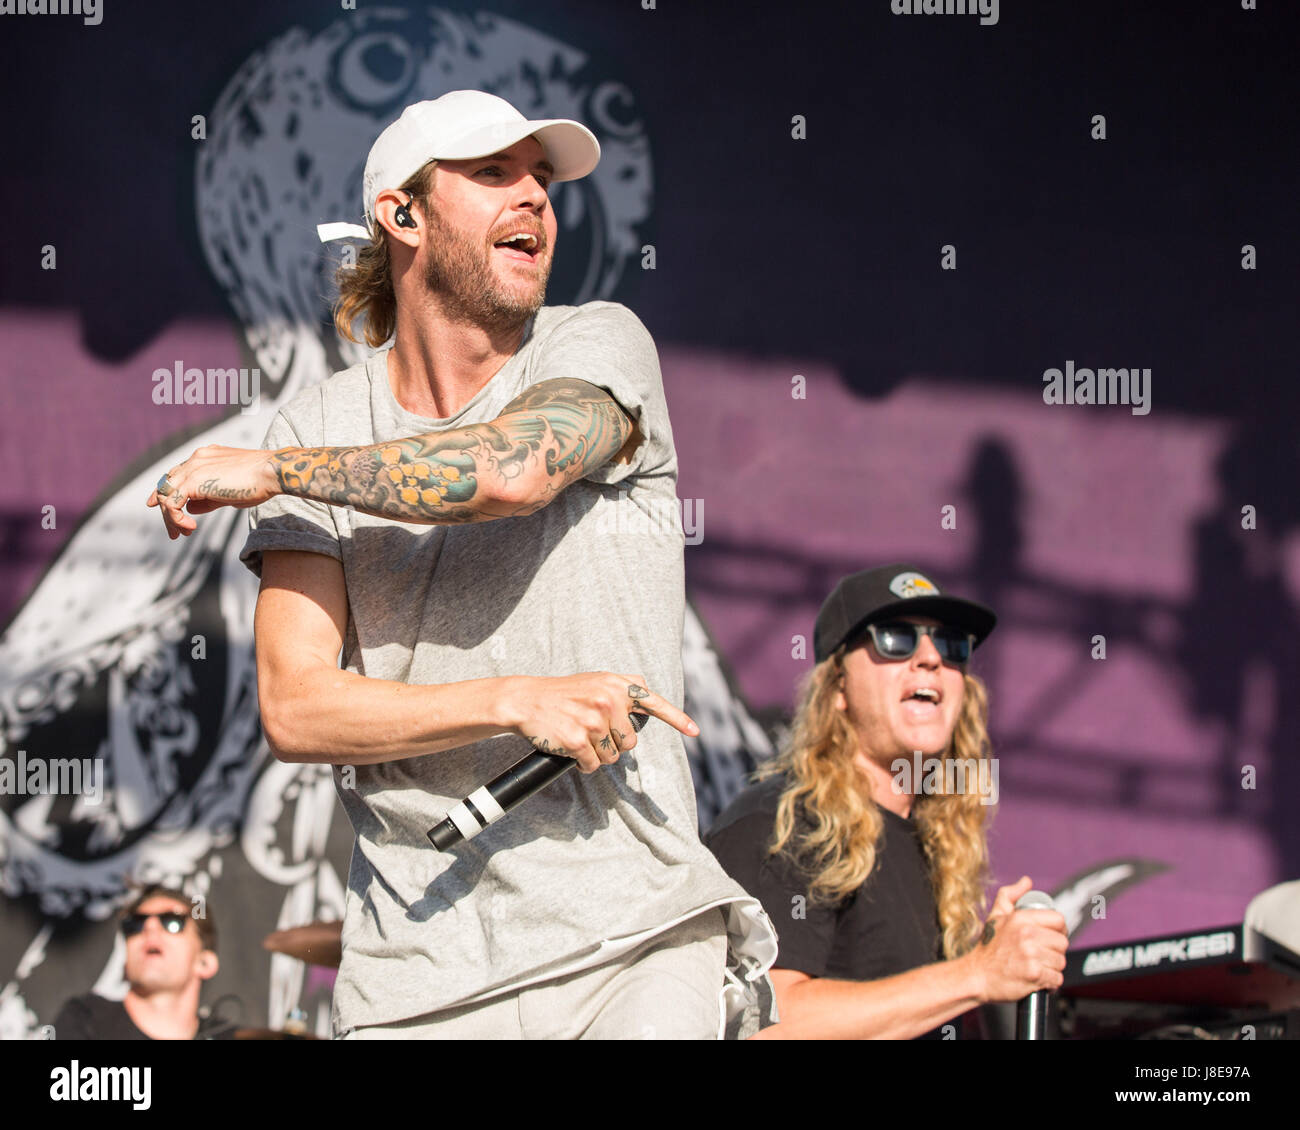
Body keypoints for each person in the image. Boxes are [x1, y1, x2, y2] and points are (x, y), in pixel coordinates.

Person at [145, 90, 775, 1039]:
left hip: (630, 935)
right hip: (418, 972)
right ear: (401, 216)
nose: (534, 198)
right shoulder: (320, 422)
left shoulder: (598, 341)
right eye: (492, 174)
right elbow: (297, 707)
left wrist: (273, 471)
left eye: (542, 179)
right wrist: (513, 699)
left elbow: (511, 471)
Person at [706, 565, 1068, 1039]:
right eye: (895, 638)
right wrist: (976, 974)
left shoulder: (933, 844)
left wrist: (987, 967)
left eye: (952, 644)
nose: (931, 659)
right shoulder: (780, 822)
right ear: (837, 688)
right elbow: (768, 1027)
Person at [53, 885, 233, 1040]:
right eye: (135, 925)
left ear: (204, 963)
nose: (150, 928)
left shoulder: (232, 1036)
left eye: (172, 922)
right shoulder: (84, 1019)